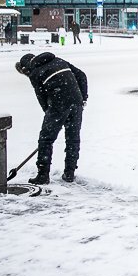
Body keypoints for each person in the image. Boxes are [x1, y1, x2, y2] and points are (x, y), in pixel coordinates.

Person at [15, 52, 89, 184]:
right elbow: (81, 75)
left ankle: (43, 175)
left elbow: (41, 97)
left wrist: (52, 117)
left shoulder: (35, 72)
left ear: (26, 68)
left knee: (45, 139)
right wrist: (83, 98)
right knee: (73, 138)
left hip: (59, 102)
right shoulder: (58, 60)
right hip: (76, 101)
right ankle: (69, 173)